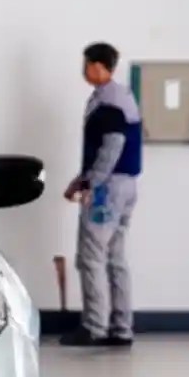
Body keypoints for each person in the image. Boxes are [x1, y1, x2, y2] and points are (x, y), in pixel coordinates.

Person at [60, 42, 142, 348]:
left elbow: (111, 148)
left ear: (97, 66)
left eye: (85, 64)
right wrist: (79, 181)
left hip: (107, 190)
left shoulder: (108, 102)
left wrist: (90, 183)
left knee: (90, 257)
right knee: (116, 258)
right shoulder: (123, 97)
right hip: (126, 184)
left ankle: (94, 327)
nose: (83, 71)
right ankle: (121, 328)